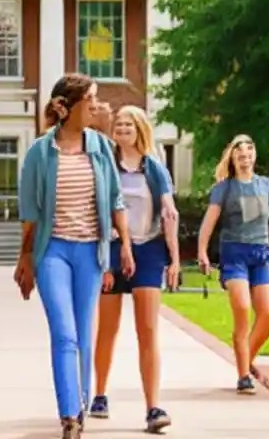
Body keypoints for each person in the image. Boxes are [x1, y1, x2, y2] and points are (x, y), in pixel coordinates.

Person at [14, 73, 133, 439]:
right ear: (66, 107)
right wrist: (26, 259)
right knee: (64, 333)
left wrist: (124, 245)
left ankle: (79, 405)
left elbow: (115, 200)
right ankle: (69, 414)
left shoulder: (99, 147)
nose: (96, 105)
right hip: (53, 252)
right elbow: (30, 212)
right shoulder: (39, 152)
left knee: (84, 334)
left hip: (91, 253)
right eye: (90, 99)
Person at [89, 105, 180, 433]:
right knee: (108, 329)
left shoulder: (155, 168)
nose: (123, 127)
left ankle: (153, 407)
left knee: (148, 330)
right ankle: (98, 393)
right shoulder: (106, 164)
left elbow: (169, 212)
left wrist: (175, 258)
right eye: (119, 123)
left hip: (149, 249)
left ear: (140, 129)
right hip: (113, 249)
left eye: (129, 123)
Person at [196, 134, 269, 395]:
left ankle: (245, 360)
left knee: (267, 315)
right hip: (234, 254)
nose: (245, 154)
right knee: (242, 308)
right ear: (233, 157)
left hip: (261, 254)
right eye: (239, 150)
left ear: (254, 155)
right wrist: (202, 252)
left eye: (249, 149)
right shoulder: (225, 188)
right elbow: (209, 222)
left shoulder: (268, 186)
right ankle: (243, 375)